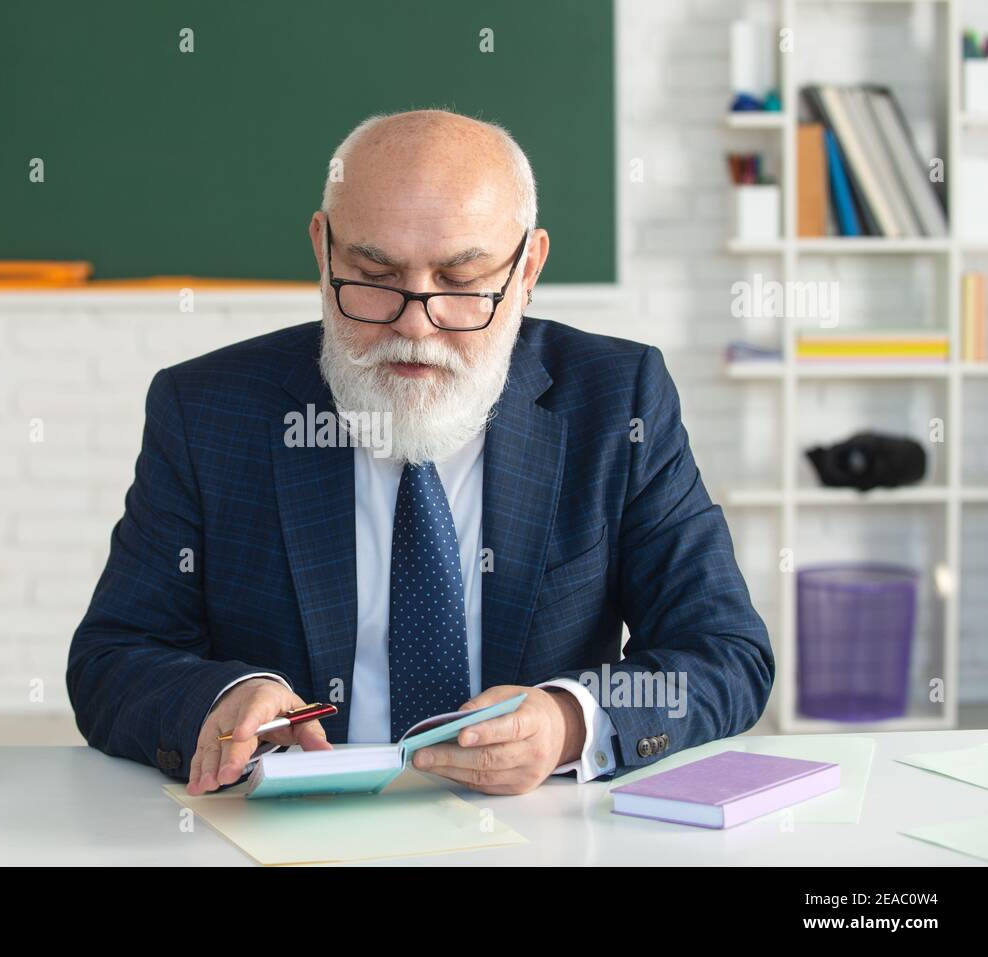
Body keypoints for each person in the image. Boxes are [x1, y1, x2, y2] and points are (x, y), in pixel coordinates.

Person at [68, 109, 773, 797]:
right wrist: (220, 698)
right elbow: (111, 659)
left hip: (537, 836)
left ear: (527, 268)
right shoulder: (206, 409)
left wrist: (568, 721)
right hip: (286, 834)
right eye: (373, 277)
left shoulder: (619, 400)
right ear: (323, 251)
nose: (414, 326)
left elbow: (724, 653)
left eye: (462, 284)